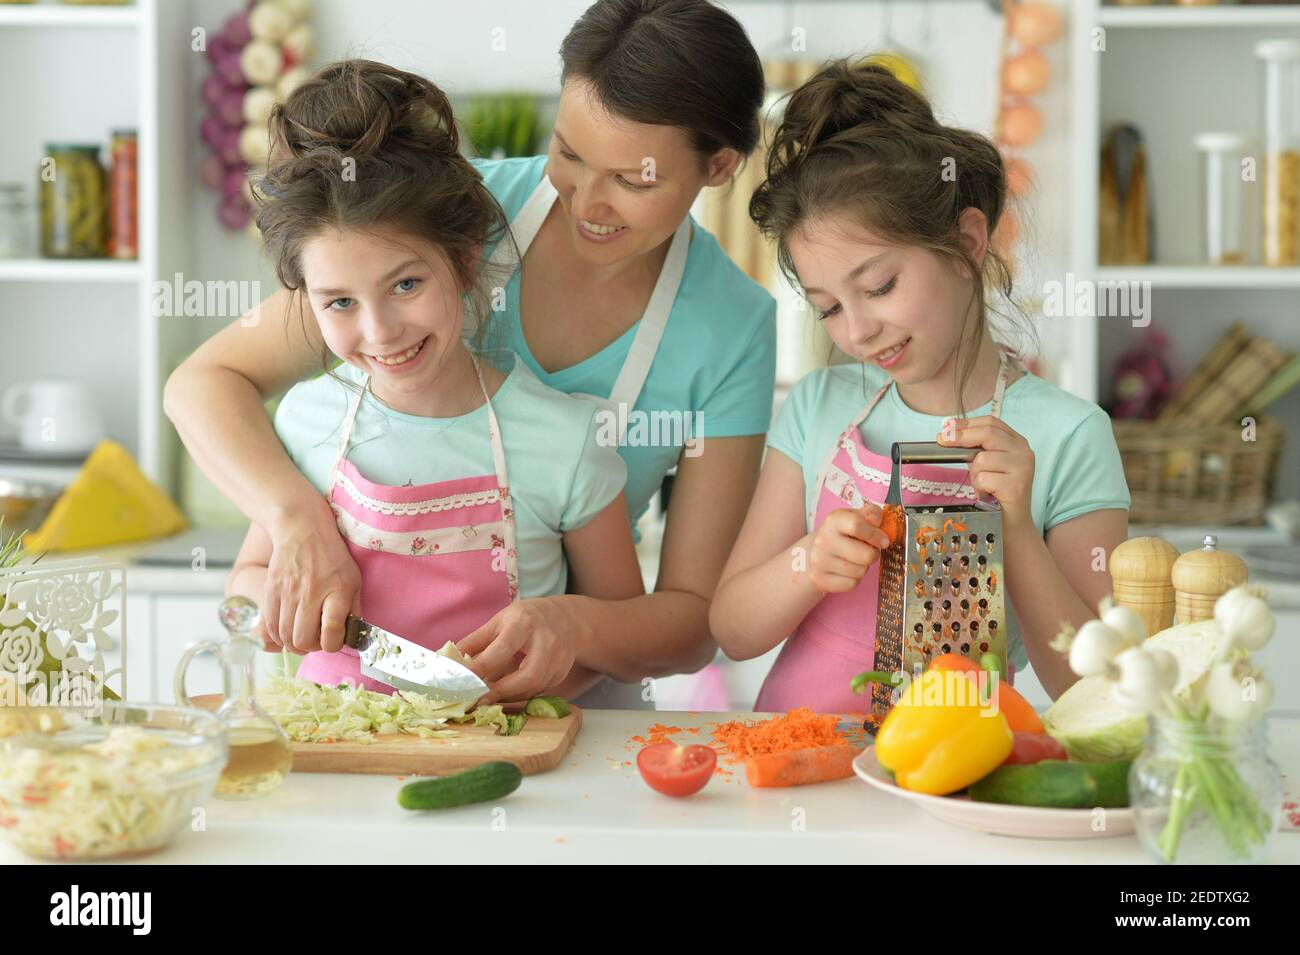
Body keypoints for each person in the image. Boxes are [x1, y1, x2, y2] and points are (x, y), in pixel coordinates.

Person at [165, 0, 777, 708]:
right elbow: (204, 383)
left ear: (720, 166)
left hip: (563, 711)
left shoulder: (734, 329)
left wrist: (571, 623)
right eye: (570, 154)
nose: (586, 202)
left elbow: (691, 621)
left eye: (633, 180)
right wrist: (295, 521)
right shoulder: (452, 218)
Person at [709, 60, 1131, 711]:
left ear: (966, 243)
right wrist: (808, 563)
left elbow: (1096, 690)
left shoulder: (1070, 434)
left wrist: (1015, 528)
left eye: (879, 287)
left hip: (955, 782)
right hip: (798, 769)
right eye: (828, 307)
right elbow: (733, 630)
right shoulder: (819, 407)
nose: (857, 331)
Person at [225, 61, 643, 703]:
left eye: (406, 285)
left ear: (465, 261)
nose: (381, 330)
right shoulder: (305, 419)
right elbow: (247, 580)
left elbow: (631, 636)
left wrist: (565, 647)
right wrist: (278, 607)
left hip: (505, 749)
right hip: (337, 756)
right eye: (339, 302)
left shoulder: (564, 439)